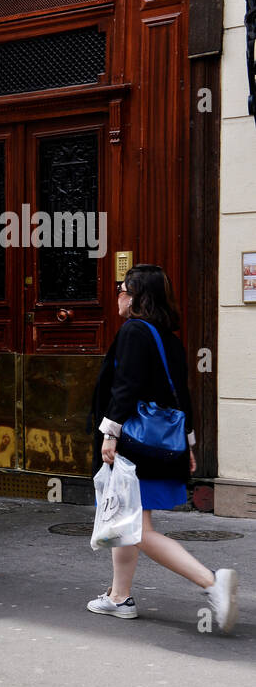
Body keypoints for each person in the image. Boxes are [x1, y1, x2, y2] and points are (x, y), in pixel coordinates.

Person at [88, 264, 238, 633]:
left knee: (136, 527)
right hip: (160, 444)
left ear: (139, 295)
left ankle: (211, 582)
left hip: (134, 445)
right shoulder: (168, 337)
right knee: (129, 520)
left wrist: (110, 433)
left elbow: (126, 386)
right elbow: (181, 395)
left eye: (124, 288)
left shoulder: (134, 331)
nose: (118, 295)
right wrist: (187, 442)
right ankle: (119, 597)